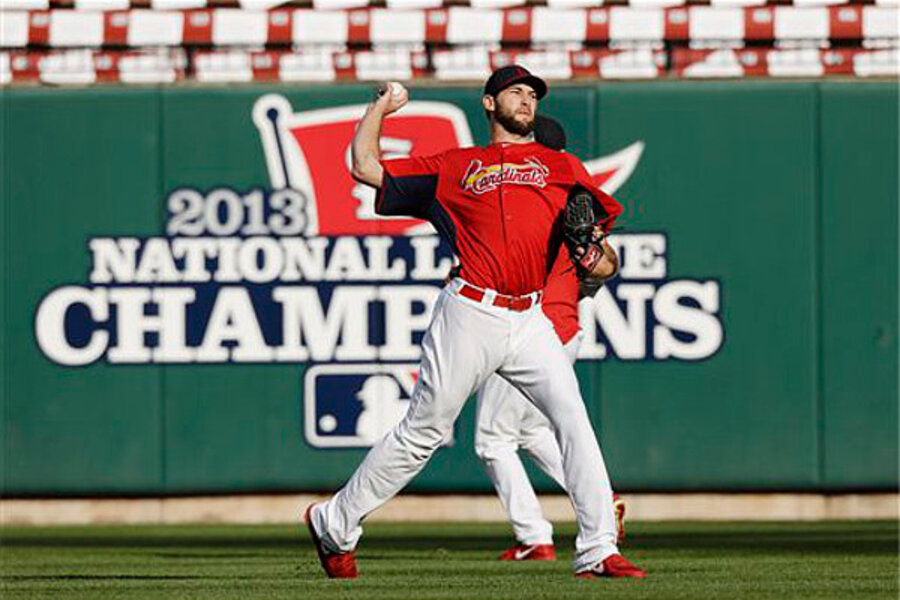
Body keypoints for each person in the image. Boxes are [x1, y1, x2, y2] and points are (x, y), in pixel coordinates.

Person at [304, 65, 646, 580]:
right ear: (490, 104)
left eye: (533, 93)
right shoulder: (454, 165)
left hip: (530, 318)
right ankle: (335, 522)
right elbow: (364, 165)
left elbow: (603, 260)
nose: (527, 99)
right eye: (515, 91)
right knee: (424, 431)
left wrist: (594, 251)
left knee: (572, 419)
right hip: (471, 311)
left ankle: (598, 548)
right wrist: (379, 108)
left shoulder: (563, 167)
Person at [475, 114, 625, 563]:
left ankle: (534, 536)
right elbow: (598, 272)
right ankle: (600, 500)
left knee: (492, 439)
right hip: (564, 327)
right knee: (536, 428)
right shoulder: (568, 197)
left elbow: (600, 265)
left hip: (528, 327)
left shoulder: (536, 195)